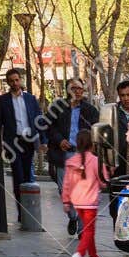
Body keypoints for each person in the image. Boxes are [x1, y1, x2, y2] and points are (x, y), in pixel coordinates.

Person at [48, 79, 99, 233]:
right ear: (67, 90)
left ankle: (82, 228)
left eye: (80, 88)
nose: (77, 91)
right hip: (64, 153)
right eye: (73, 88)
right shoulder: (57, 108)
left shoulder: (90, 110)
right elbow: (49, 128)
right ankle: (73, 217)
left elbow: (96, 131)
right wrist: (59, 140)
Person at [62, 127, 109, 257]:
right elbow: (103, 182)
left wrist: (66, 201)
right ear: (92, 144)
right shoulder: (96, 161)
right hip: (90, 202)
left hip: (77, 202)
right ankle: (79, 254)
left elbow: (66, 183)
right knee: (88, 231)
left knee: (89, 230)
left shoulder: (71, 161)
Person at [0, 67, 42, 222]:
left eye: (17, 80)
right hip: (13, 143)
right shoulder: (3, 100)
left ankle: (30, 211)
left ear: (21, 80)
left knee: (28, 176)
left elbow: (39, 119)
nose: (15, 83)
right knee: (18, 177)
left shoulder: (30, 99)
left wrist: (42, 141)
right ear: (8, 83)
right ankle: (21, 213)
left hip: (28, 142)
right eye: (11, 81)